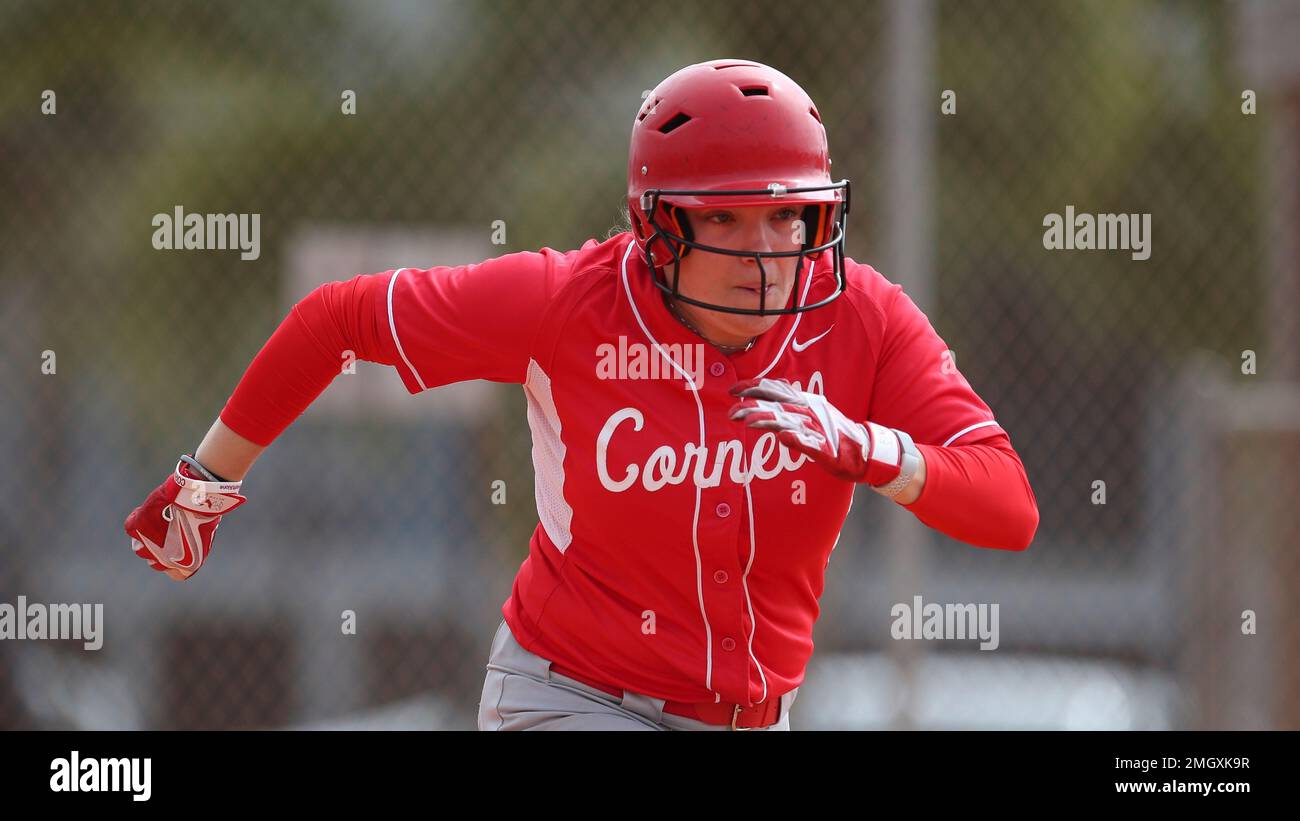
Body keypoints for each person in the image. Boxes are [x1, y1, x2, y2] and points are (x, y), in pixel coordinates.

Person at [124, 58, 1039, 730]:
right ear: (658, 226)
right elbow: (336, 319)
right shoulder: (568, 303)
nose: (764, 248)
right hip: (572, 698)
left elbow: (1008, 505)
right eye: (722, 215)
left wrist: (871, 448)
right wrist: (203, 485)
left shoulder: (863, 318)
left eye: (787, 213)